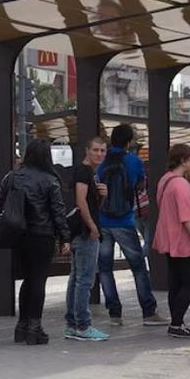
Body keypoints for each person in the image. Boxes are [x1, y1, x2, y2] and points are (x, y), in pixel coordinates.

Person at [0, 138, 71, 346]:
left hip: (19, 235)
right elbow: (58, 212)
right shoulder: (50, 180)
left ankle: (21, 326)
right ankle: (34, 328)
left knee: (27, 280)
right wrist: (65, 237)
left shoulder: (12, 177)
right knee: (38, 280)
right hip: (42, 235)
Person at [96, 123, 168, 327]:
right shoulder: (134, 161)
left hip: (103, 221)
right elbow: (140, 185)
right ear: (129, 142)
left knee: (105, 268)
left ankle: (115, 314)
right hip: (124, 220)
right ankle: (148, 312)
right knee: (138, 267)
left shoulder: (102, 162)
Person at [153, 144, 190, 339]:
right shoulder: (180, 185)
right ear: (182, 160)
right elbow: (187, 217)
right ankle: (176, 322)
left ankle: (177, 321)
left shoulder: (165, 180)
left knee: (175, 282)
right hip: (181, 239)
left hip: (167, 236)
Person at [63, 137, 109, 342]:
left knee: (76, 278)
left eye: (102, 151)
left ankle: (73, 323)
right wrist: (92, 227)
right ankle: (82, 324)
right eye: (96, 150)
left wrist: (103, 195)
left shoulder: (90, 173)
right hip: (84, 232)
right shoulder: (83, 171)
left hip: (81, 231)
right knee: (85, 279)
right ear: (87, 151)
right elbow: (81, 201)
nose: (99, 154)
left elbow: (89, 201)